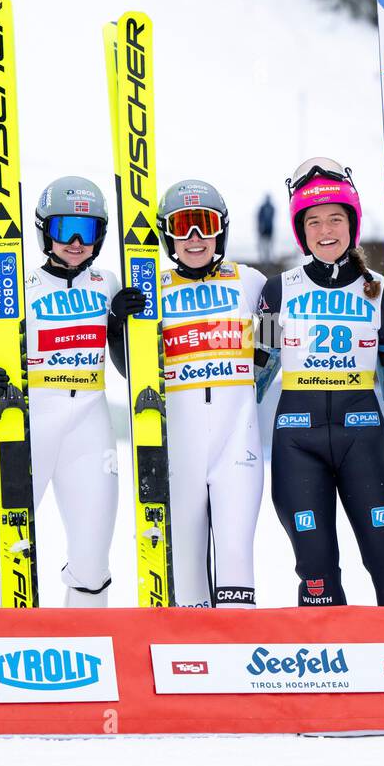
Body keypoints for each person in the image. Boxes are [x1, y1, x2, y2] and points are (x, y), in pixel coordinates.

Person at [258, 157, 384, 607]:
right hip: (297, 442)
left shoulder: (381, 290)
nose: (326, 230)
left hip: (363, 436)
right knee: (316, 572)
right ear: (301, 230)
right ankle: (332, 665)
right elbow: (255, 370)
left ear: (352, 225)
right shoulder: (277, 291)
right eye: (314, 221)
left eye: (336, 219)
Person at [0, 177, 142, 608]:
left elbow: (128, 370)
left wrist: (118, 327)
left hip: (89, 428)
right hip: (32, 422)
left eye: (89, 231)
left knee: (92, 556)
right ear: (45, 231)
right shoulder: (21, 284)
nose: (76, 242)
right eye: (64, 230)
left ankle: (85, 647)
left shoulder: (106, 281)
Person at [123, 179, 266, 607]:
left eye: (203, 224)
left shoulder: (252, 283)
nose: (194, 238)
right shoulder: (153, 289)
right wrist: (119, 326)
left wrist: (249, 389)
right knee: (185, 572)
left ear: (220, 229)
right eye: (182, 226)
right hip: (179, 450)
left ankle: (239, 659)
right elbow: (130, 368)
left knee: (237, 562)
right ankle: (190, 666)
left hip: (237, 447)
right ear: (168, 235)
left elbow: (276, 350)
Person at [256, 193, 275, 262]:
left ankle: (267, 260)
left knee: (267, 245)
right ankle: (264, 260)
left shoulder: (270, 207)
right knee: (264, 245)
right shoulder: (265, 207)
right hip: (265, 230)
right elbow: (259, 218)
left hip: (268, 230)